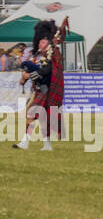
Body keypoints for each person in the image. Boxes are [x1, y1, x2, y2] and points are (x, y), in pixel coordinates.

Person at [14, 19, 65, 151]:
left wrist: (30, 75)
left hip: (47, 90)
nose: (40, 43)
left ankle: (25, 142)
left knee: (31, 114)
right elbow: (35, 68)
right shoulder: (39, 54)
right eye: (39, 41)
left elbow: (48, 70)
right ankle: (47, 145)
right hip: (39, 89)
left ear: (49, 41)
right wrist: (25, 76)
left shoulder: (54, 53)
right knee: (42, 119)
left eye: (42, 41)